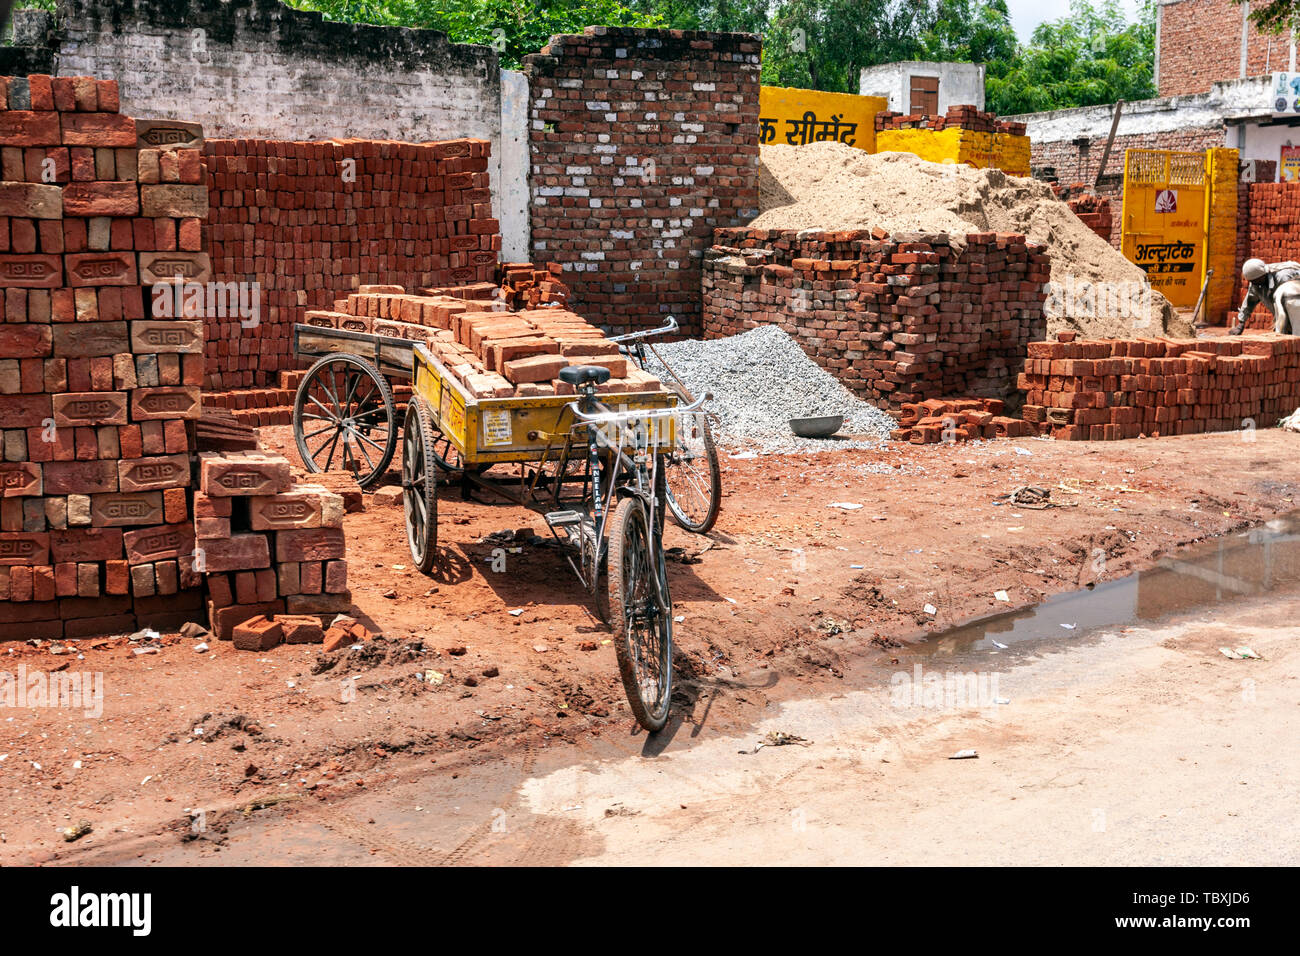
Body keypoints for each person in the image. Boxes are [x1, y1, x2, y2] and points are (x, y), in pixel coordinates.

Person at [1232, 258, 1300, 334]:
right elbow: (1249, 302)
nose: (1253, 284)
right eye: (1251, 282)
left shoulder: (1283, 277)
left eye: (1255, 281)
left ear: (1263, 276)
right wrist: (1241, 323)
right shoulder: (1256, 284)